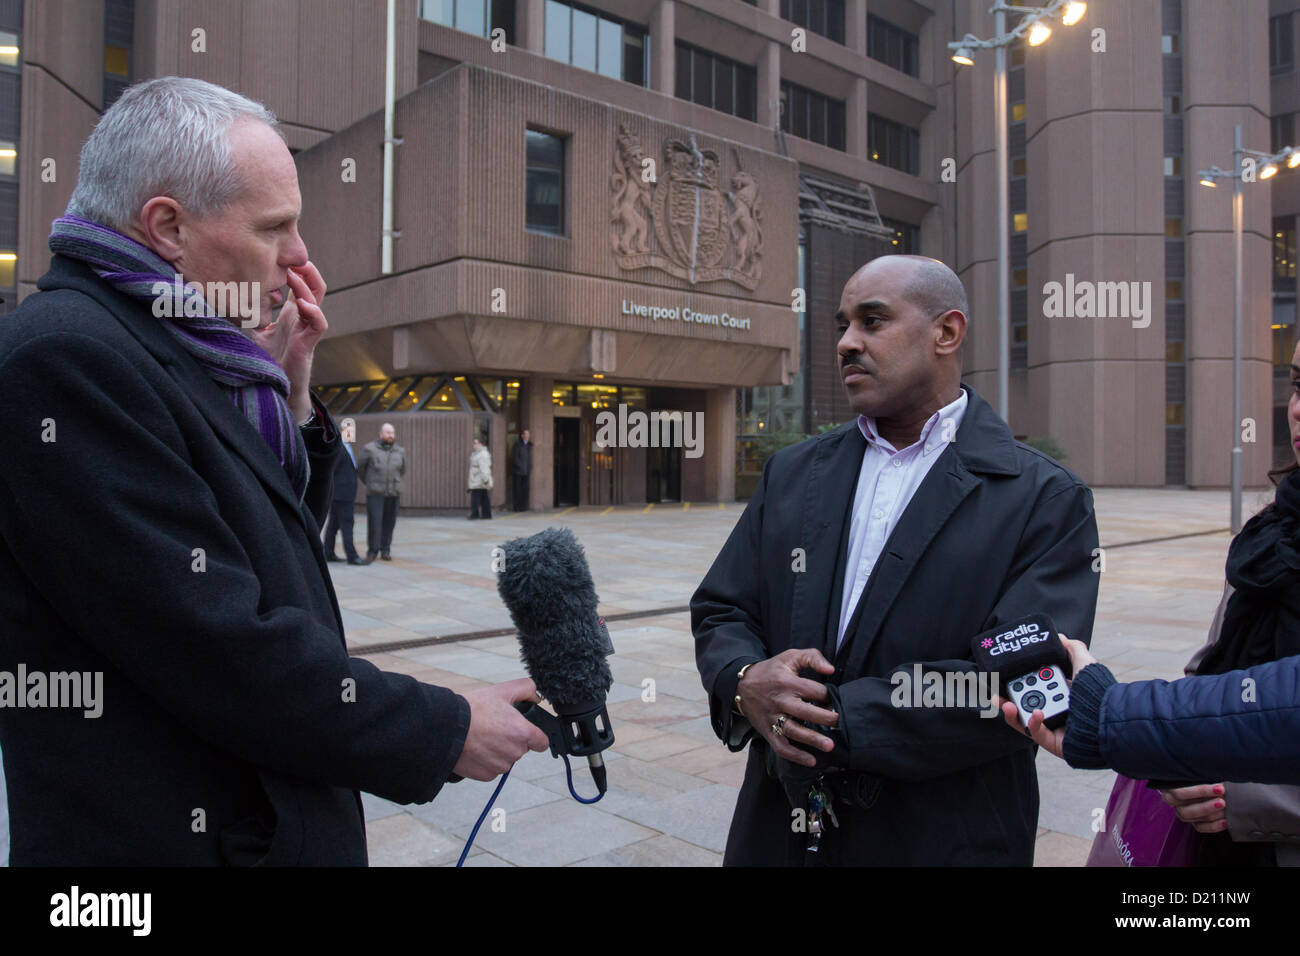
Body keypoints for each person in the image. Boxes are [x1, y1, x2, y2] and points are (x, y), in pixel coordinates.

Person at [0, 77, 547, 865]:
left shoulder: (172, 346)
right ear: (167, 227)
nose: (299, 259)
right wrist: (443, 728)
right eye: (275, 228)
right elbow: (214, 641)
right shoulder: (68, 357)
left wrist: (286, 396)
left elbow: (263, 542)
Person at [692, 254, 1100, 866]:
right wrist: (745, 681)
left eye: (873, 321)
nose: (847, 343)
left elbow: (1022, 679)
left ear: (947, 332)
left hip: (942, 840)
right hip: (781, 832)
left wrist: (831, 718)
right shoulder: (794, 473)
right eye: (842, 325)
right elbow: (722, 607)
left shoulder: (1043, 497)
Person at [1003, 340, 1300, 863]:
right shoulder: (1272, 531)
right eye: (1297, 385)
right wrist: (1180, 759)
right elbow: (1212, 673)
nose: (1297, 408)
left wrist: (1251, 797)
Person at [356, 422, 405, 561]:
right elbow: (361, 469)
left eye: (393, 433)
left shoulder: (400, 451)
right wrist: (370, 482)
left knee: (389, 523)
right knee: (375, 523)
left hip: (393, 492)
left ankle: (386, 550)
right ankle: (372, 551)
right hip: (375, 493)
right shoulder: (369, 449)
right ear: (381, 433)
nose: (391, 435)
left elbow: (402, 470)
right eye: (388, 432)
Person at [323, 436, 366, 565]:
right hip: (341, 493)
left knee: (333, 524)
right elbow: (332, 469)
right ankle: (352, 556)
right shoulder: (338, 447)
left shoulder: (346, 446)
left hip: (342, 493)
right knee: (347, 523)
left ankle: (328, 553)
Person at [469, 435, 493, 520]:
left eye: (476, 443)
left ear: (480, 443)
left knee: (476, 497)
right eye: (474, 443)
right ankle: (486, 514)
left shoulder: (482, 454)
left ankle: (475, 514)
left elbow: (484, 468)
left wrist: (485, 479)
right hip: (478, 478)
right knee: (484, 497)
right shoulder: (478, 453)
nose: (474, 445)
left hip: (479, 479)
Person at [512, 428, 533, 512]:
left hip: (526, 472)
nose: (527, 436)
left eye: (528, 434)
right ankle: (516, 507)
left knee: (525, 489)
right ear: (522, 436)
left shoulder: (530, 445)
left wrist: (530, 467)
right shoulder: (517, 445)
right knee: (517, 490)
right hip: (518, 471)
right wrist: (520, 467)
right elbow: (515, 458)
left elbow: (529, 459)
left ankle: (523, 507)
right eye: (526, 434)